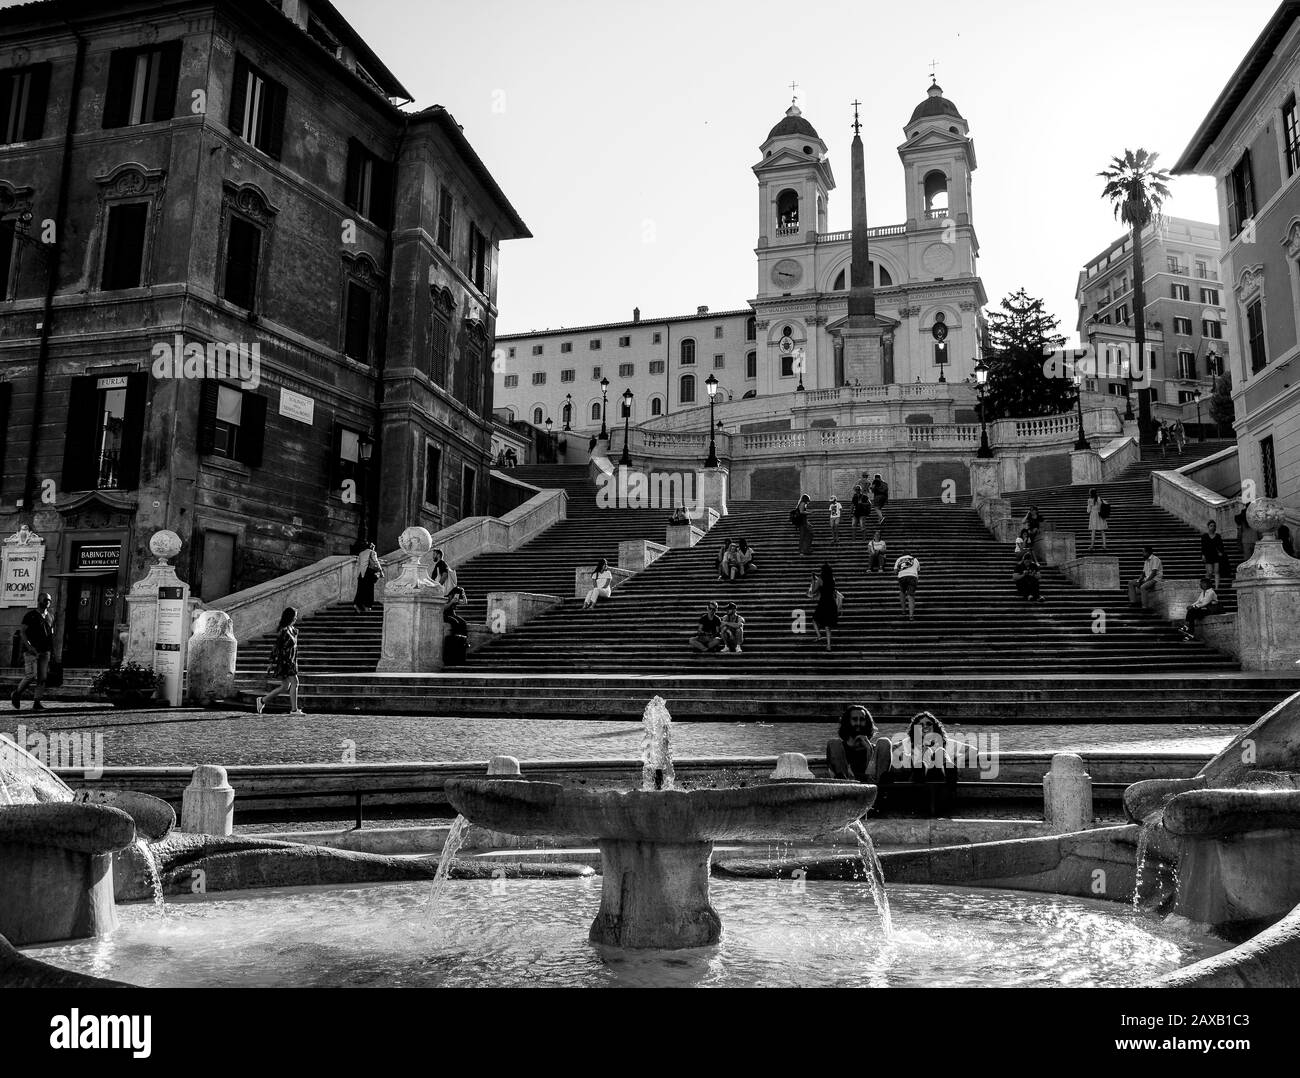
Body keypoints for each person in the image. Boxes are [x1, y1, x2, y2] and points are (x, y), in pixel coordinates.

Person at [826, 705, 891, 783]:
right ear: (847, 722)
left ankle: (880, 787)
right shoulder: (837, 748)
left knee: (884, 741)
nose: (858, 723)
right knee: (833, 742)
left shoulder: (876, 749)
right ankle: (844, 783)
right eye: (854, 719)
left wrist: (868, 749)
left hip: (873, 783)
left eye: (862, 720)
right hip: (847, 785)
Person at [12, 592, 54, 711]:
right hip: (31, 651)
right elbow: (23, 632)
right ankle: (17, 693)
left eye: (49, 600)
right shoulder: (30, 615)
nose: (48, 602)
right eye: (45, 600)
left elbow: (51, 634)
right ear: (39, 600)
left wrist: (53, 652)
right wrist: (29, 647)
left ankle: (37, 702)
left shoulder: (50, 616)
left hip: (45, 651)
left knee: (42, 678)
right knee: (31, 675)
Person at [257, 607, 302, 716]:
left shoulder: (293, 630)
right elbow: (276, 647)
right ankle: (294, 710)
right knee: (295, 683)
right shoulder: (284, 631)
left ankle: (262, 701)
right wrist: (271, 663)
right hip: (285, 662)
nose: (296, 618)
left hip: (291, 661)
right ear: (290, 617)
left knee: (285, 686)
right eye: (294, 616)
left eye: (296, 616)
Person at [807, 562, 841, 652]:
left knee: (814, 619)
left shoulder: (820, 580)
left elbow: (813, 591)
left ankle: (819, 635)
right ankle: (829, 645)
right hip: (831, 603)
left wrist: (813, 580)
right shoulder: (832, 579)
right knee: (828, 626)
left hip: (823, 603)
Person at [352, 542, 383, 613]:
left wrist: (358, 575)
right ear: (371, 546)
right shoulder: (372, 552)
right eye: (373, 545)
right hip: (369, 573)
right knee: (369, 590)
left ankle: (357, 604)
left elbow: (358, 564)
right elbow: (376, 562)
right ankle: (367, 606)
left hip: (361, 574)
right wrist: (381, 571)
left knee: (360, 590)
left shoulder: (361, 553)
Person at [895, 549, 920, 621]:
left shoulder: (899, 559)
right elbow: (918, 571)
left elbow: (895, 570)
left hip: (902, 576)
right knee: (911, 595)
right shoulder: (915, 559)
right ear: (910, 554)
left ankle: (903, 610)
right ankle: (911, 615)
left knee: (902, 591)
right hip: (912, 576)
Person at [1200, 521, 1226, 591]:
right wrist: (1203, 555)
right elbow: (1203, 547)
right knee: (1210, 572)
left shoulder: (1218, 536)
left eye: (1214, 526)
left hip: (1216, 555)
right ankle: (1206, 587)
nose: (1213, 527)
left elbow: (1221, 546)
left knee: (1217, 571)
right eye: (1211, 526)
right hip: (1208, 555)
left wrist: (1221, 552)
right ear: (1208, 527)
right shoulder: (1204, 536)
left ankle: (1217, 588)